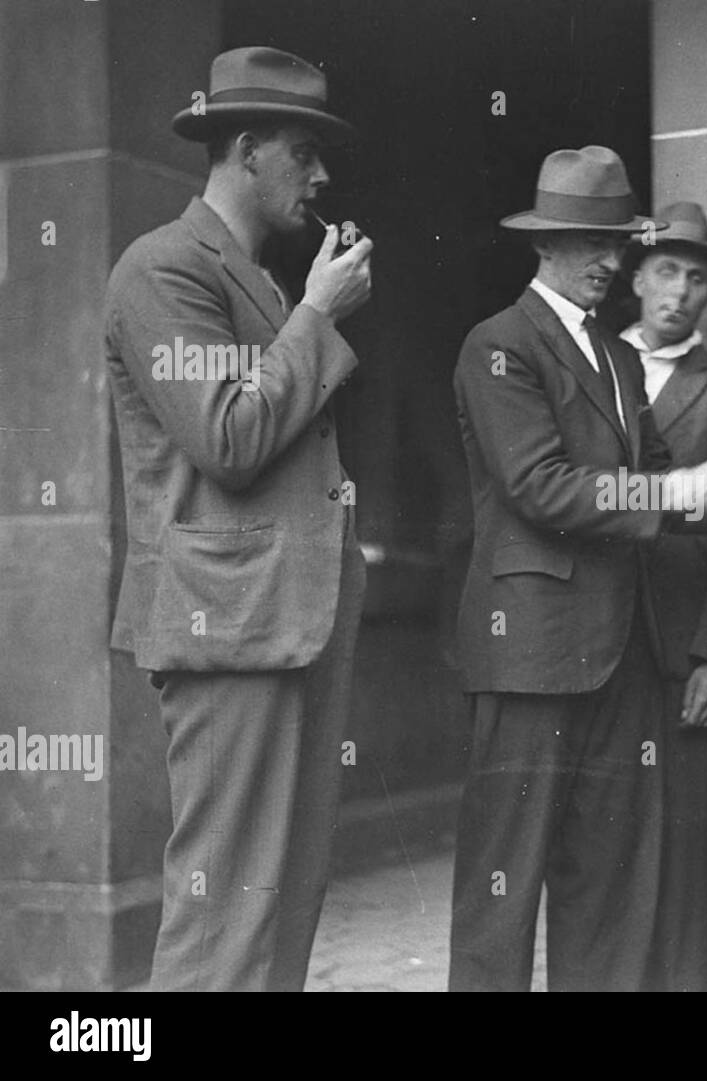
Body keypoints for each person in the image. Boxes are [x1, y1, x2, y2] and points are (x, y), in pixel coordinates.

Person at [448, 147, 707, 991]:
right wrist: (691, 486)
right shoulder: (497, 345)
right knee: (502, 896)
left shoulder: (614, 355)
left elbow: (667, 467)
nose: (615, 258)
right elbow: (540, 486)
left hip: (622, 659)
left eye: (619, 240)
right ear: (547, 244)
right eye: (595, 242)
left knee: (609, 895)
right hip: (530, 657)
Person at [104, 46, 374, 990]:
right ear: (247, 148)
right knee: (223, 922)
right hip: (228, 629)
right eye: (304, 153)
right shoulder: (161, 270)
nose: (321, 175)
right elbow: (228, 435)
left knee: (280, 907)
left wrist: (304, 314)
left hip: (279, 624)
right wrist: (317, 313)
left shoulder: (249, 278)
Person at [619, 202, 707, 991]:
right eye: (666, 269)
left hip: (679, 655)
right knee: (607, 851)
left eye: (697, 277)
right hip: (602, 644)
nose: (679, 290)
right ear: (637, 274)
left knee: (681, 856)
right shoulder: (594, 363)